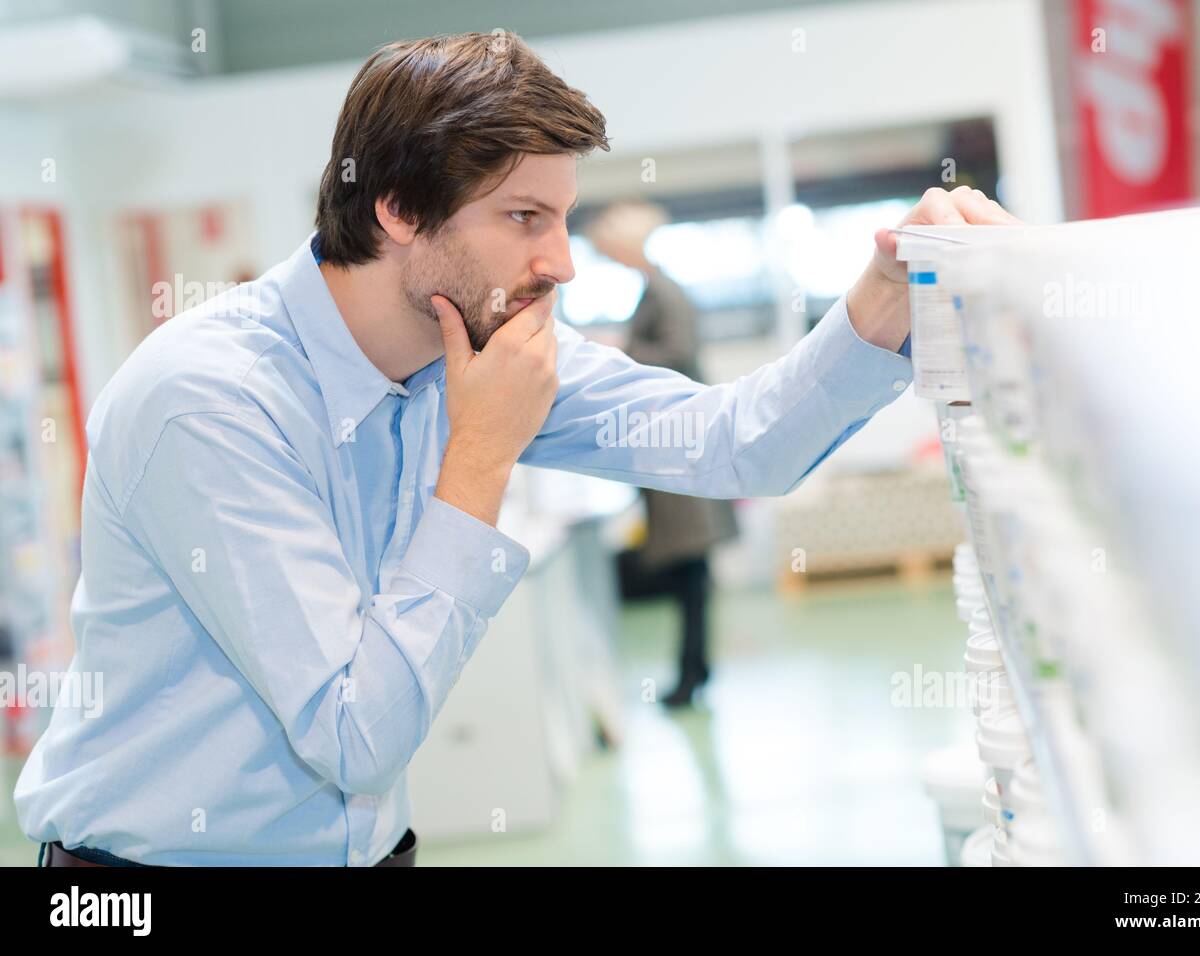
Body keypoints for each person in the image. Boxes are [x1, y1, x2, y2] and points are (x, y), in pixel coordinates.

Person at [13, 32, 1019, 866]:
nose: (562, 261)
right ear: (399, 210)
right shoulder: (211, 398)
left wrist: (876, 306)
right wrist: (482, 454)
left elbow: (730, 444)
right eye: (524, 218)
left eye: (563, 216)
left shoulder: (479, 340)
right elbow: (354, 731)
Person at [588, 201, 738, 708]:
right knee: (689, 573)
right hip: (675, 445)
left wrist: (617, 351)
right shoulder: (655, 291)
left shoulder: (665, 294)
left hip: (683, 448)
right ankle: (693, 672)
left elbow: (676, 356)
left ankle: (692, 675)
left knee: (691, 572)